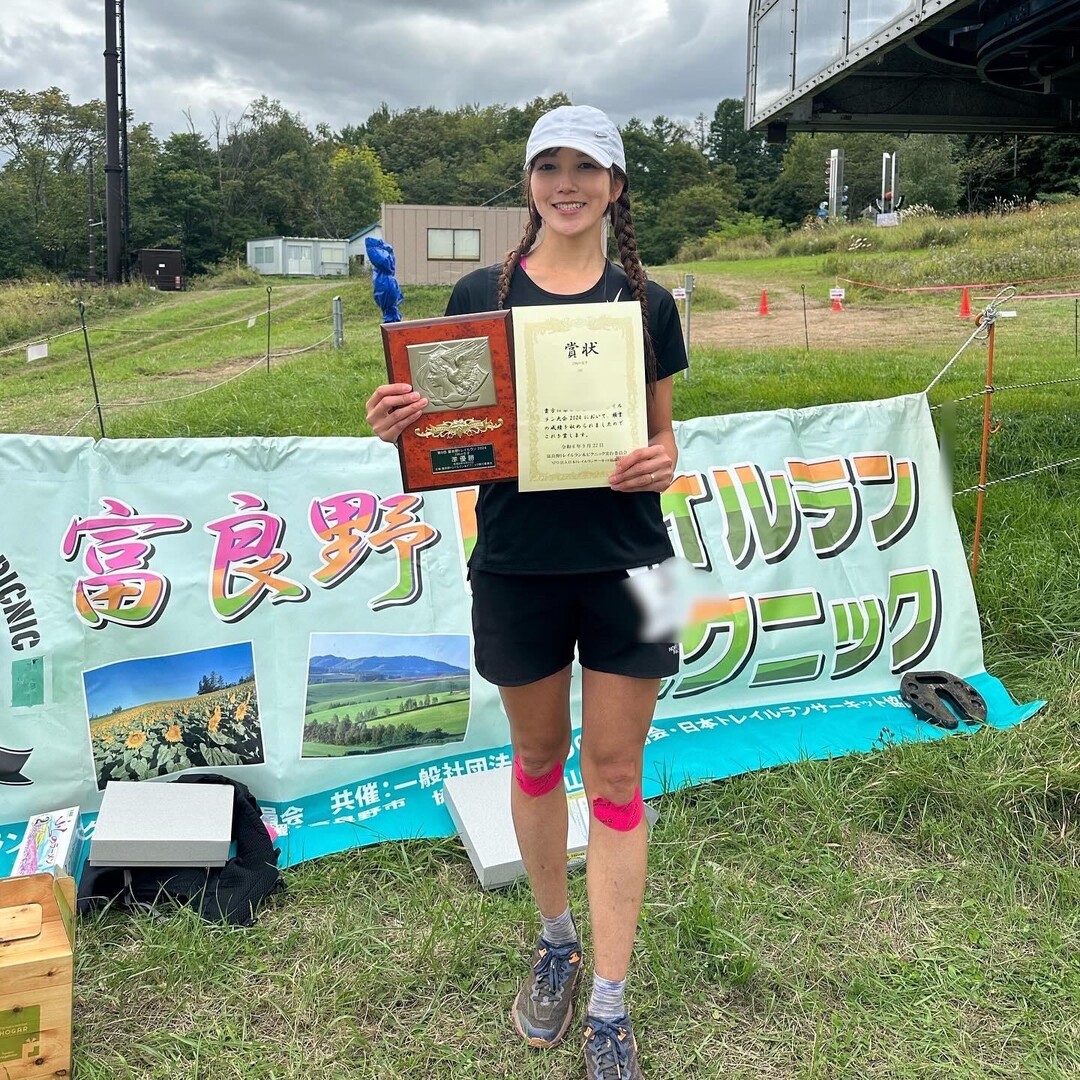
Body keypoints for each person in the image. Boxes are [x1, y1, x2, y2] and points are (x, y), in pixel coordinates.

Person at [366, 103, 687, 1080]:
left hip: (639, 567)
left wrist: (660, 463)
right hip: (514, 564)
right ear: (529, 183)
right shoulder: (479, 291)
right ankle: (556, 939)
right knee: (539, 754)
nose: (566, 181)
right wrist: (403, 423)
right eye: (547, 165)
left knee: (620, 775)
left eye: (586, 166)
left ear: (616, 187)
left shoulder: (650, 300)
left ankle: (610, 1004)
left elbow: (668, 439)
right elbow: (453, 440)